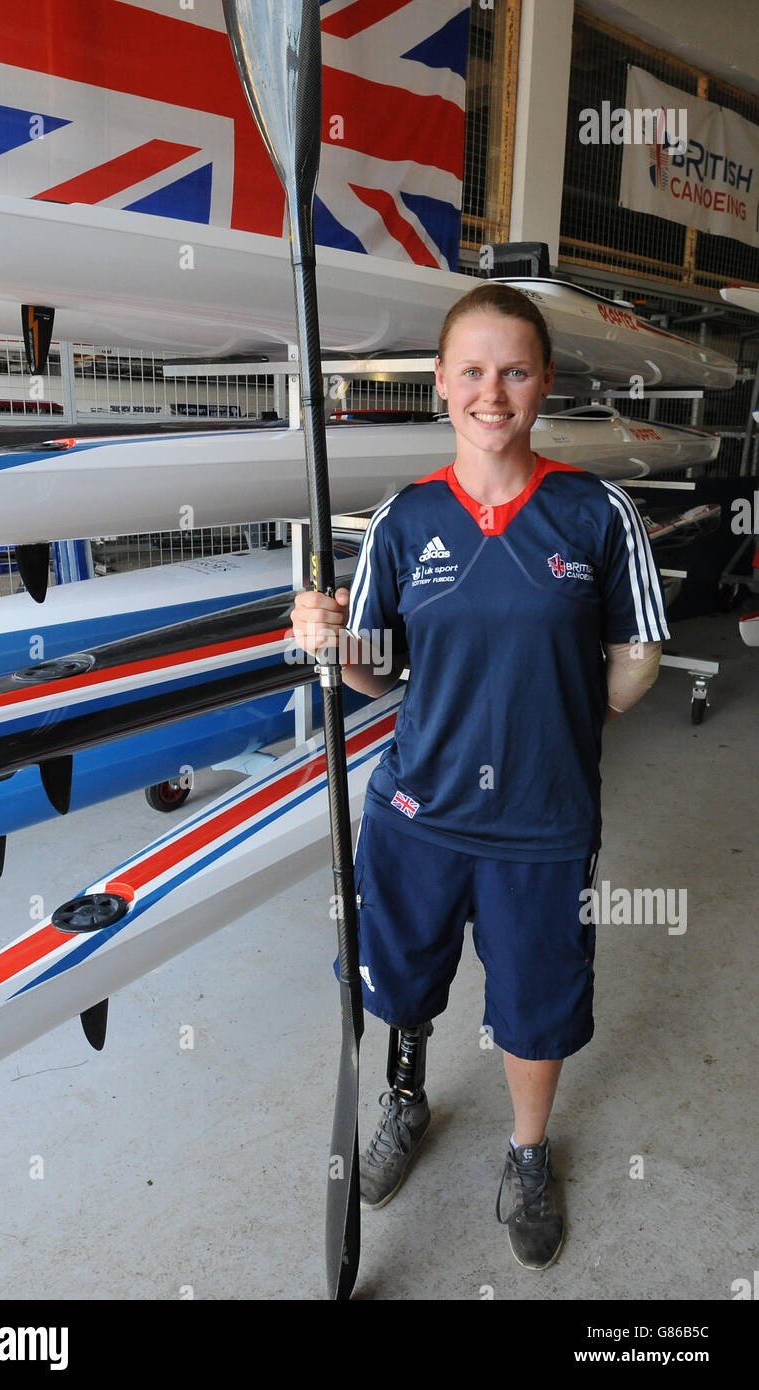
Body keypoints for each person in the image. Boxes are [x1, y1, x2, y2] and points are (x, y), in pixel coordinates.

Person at [290, 282, 669, 1271]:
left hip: (542, 823)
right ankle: (405, 1095)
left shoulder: (593, 512)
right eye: (471, 370)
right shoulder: (404, 521)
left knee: (536, 1000)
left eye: (512, 369)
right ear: (440, 384)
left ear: (543, 380)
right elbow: (372, 673)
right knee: (402, 977)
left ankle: (527, 1152)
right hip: (415, 809)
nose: (490, 390)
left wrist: (569, 723)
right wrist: (324, 641)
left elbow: (637, 653)